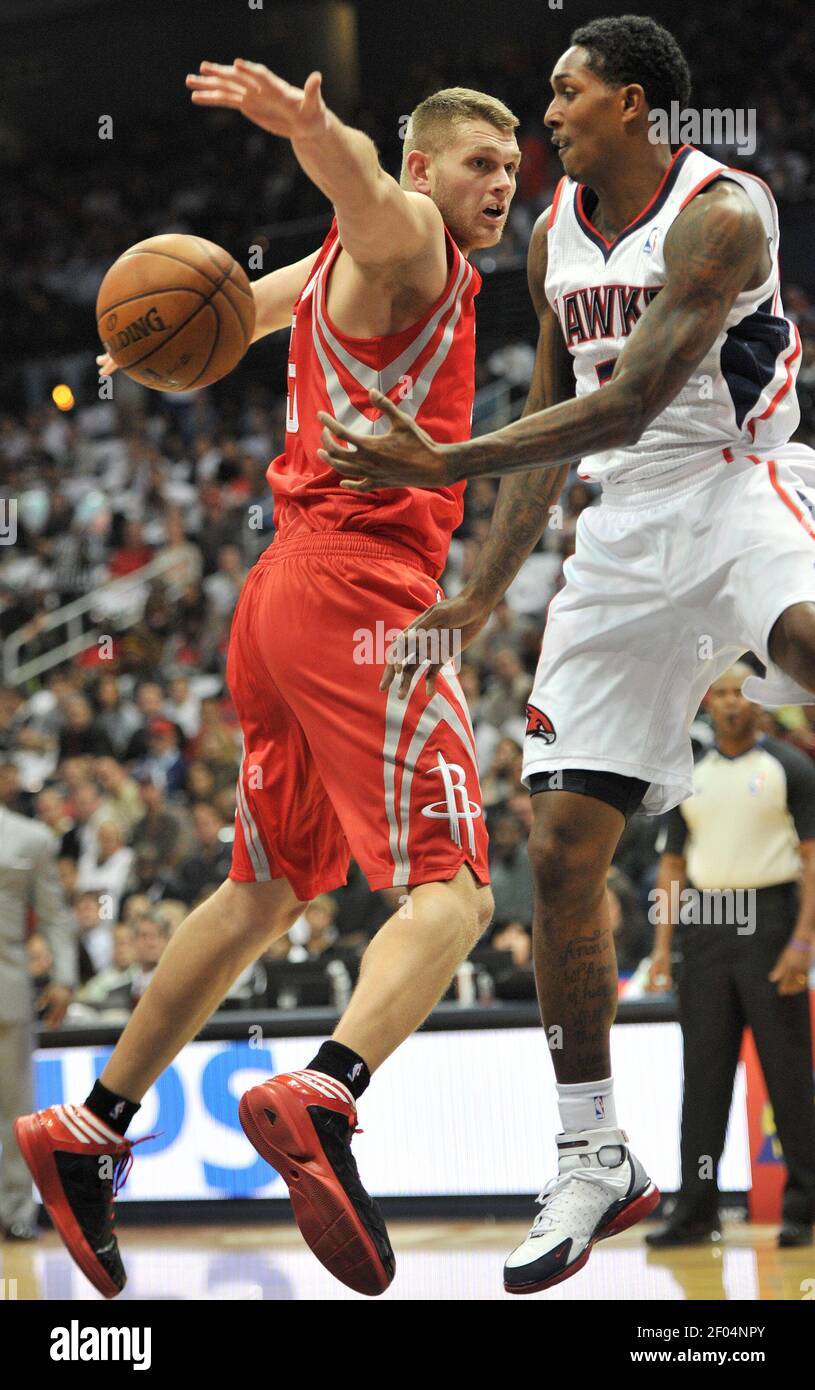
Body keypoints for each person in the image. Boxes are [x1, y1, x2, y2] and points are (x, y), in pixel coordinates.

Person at [319, 15, 815, 1292]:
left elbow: (639, 395)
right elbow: (555, 419)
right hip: (615, 533)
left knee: (809, 643)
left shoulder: (724, 211)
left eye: (566, 91)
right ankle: (593, 1152)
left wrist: (441, 459)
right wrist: (481, 591)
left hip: (733, 482)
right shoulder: (548, 236)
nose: (546, 113)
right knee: (555, 846)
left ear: (638, 106)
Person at [15, 57, 519, 1298]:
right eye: (478, 163)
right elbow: (363, 193)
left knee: (263, 890)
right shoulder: (405, 238)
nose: (500, 185)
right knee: (452, 894)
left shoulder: (374, 265)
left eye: (512, 169)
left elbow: (233, 313)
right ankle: (325, 1092)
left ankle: (91, 1126)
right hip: (363, 600)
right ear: (421, 168)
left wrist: (162, 327)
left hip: (281, 599)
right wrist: (316, 130)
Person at [645, 664, 815, 1248]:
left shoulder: (789, 767)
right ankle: (695, 1211)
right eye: (719, 693)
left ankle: (805, 1208)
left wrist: (802, 942)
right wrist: (663, 948)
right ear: (706, 704)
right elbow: (671, 866)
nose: (730, 703)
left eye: (740, 692)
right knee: (704, 1077)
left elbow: (813, 860)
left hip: (772, 923)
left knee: (789, 1073)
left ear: (759, 703)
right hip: (703, 928)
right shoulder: (686, 774)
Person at [0, 765, 76, 1241]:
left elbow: (56, 915)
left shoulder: (30, 838)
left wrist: (64, 976)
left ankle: (16, 1210)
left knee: (15, 1106)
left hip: (6, 987)